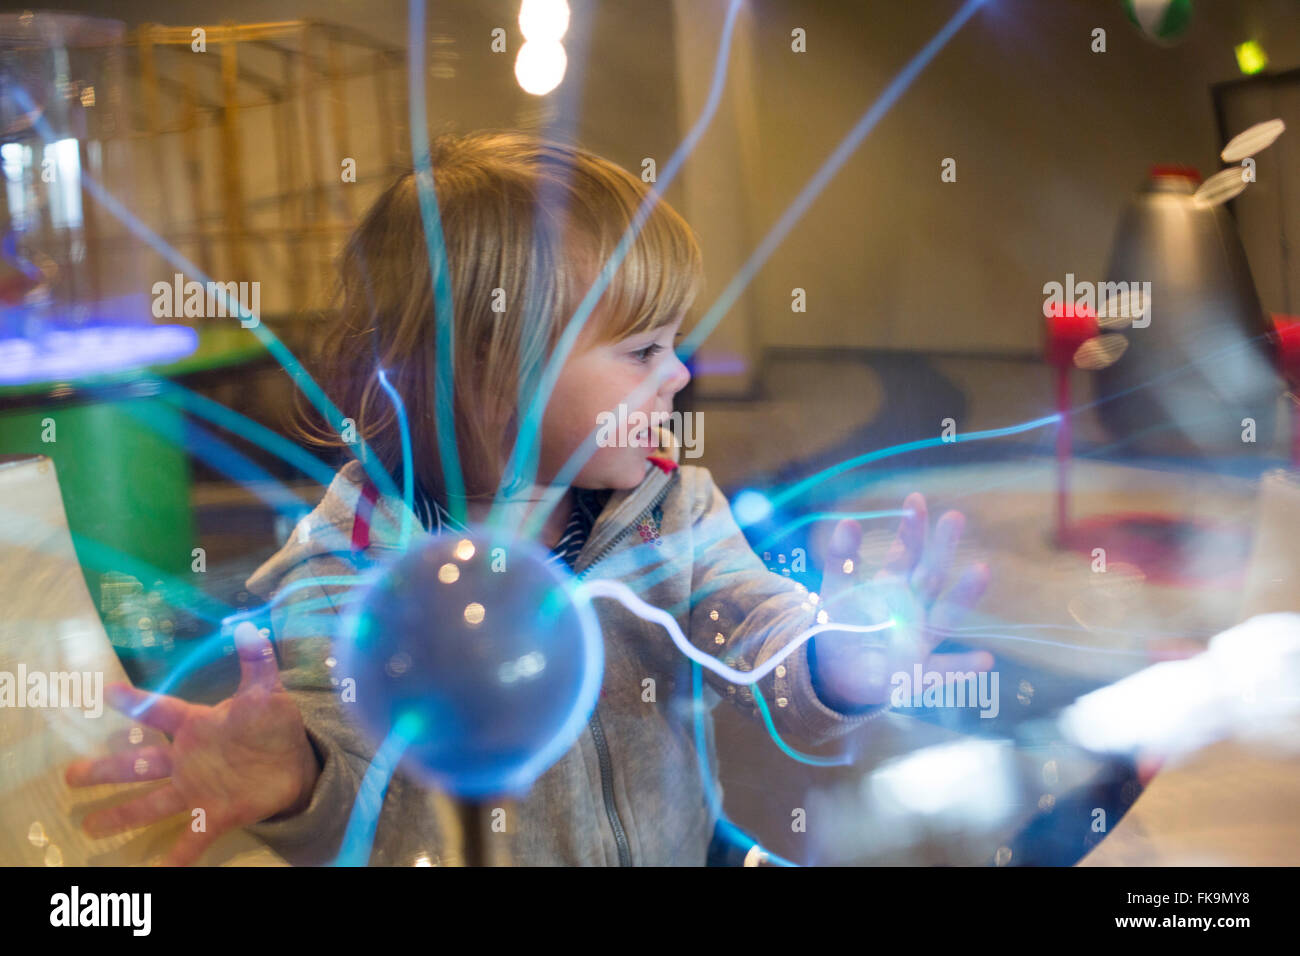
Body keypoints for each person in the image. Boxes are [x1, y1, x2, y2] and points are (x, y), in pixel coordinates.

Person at [66, 131, 991, 865]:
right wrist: (298, 776)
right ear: (495, 375)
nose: (678, 374)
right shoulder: (345, 575)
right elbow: (364, 823)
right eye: (641, 351)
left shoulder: (674, 509)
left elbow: (752, 631)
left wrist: (838, 664)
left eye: (674, 342)